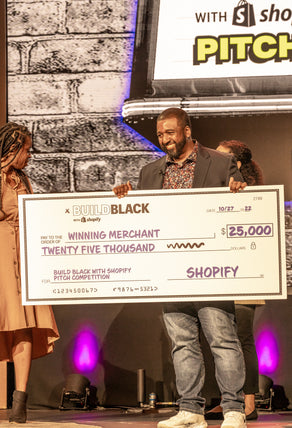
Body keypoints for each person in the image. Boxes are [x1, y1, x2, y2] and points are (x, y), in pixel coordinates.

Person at [113, 108, 247, 428]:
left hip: (211, 266)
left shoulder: (219, 162)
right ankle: (190, 410)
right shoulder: (150, 172)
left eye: (170, 133)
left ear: (187, 131)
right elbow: (143, 220)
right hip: (170, 270)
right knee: (182, 342)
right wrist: (124, 200)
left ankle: (233, 409)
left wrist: (239, 191)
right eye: (160, 134)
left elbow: (244, 203)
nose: (165, 140)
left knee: (222, 338)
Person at [0, 122, 60, 423]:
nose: (30, 155)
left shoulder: (22, 179)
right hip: (0, 256)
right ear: (12, 149)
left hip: (23, 257)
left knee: (23, 327)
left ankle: (19, 402)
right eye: (26, 150)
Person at [216, 140, 264, 420]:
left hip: (246, 275)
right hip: (222, 275)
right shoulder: (219, 190)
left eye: (222, 158)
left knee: (242, 338)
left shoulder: (251, 192)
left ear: (236, 163)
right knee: (223, 340)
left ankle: (248, 402)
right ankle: (229, 400)